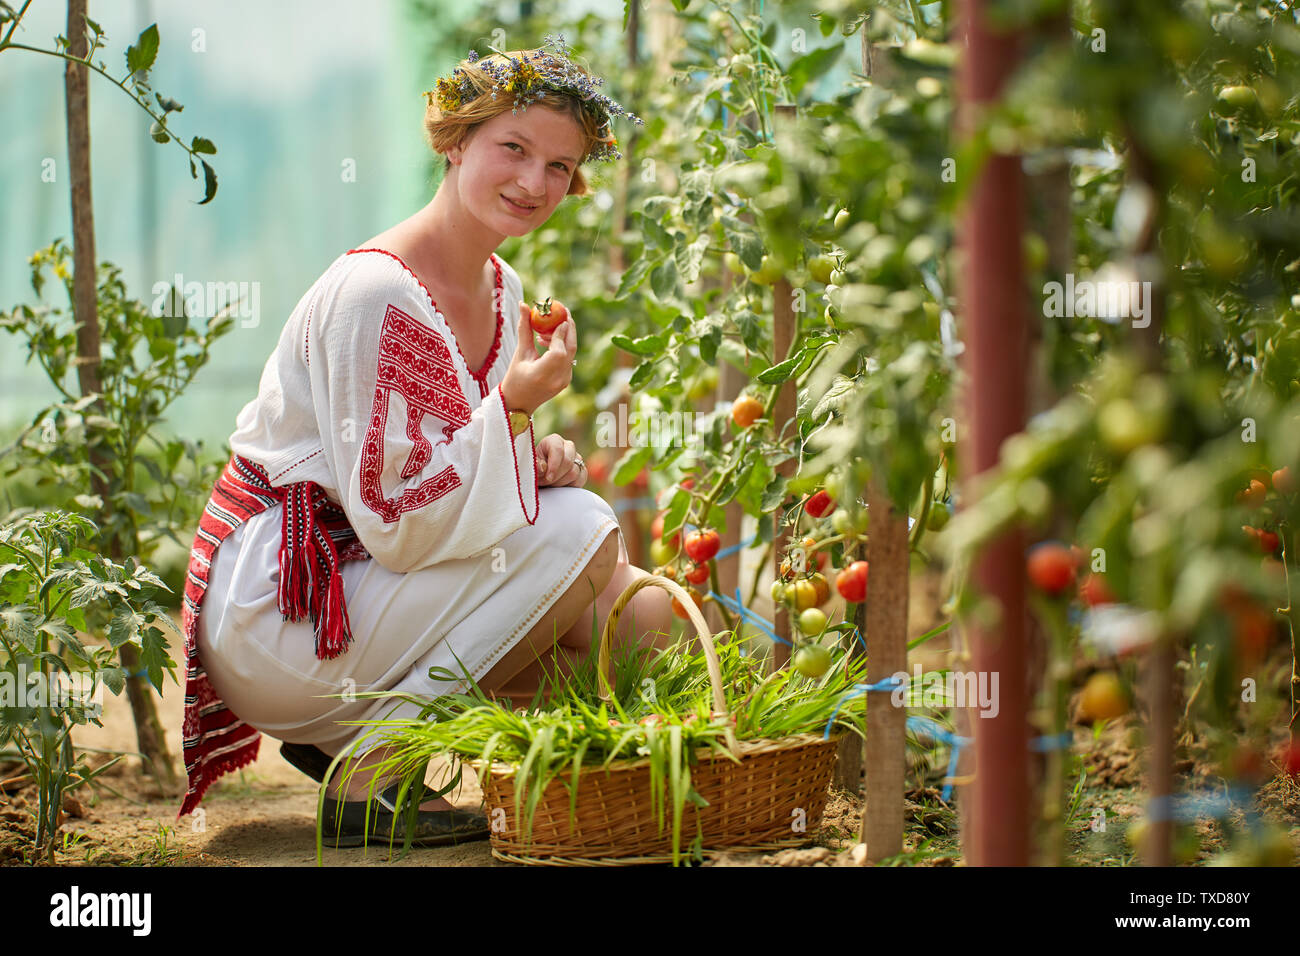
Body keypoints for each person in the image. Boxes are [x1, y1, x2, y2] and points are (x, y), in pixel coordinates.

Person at [174, 35, 675, 848]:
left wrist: (530, 450)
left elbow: (446, 461)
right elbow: (399, 524)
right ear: (453, 141)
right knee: (582, 530)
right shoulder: (375, 291)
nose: (533, 182)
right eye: (512, 148)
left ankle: (369, 740)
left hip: (361, 589)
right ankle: (370, 768)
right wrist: (511, 411)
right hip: (290, 603)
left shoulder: (506, 291)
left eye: (559, 166)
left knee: (640, 617)